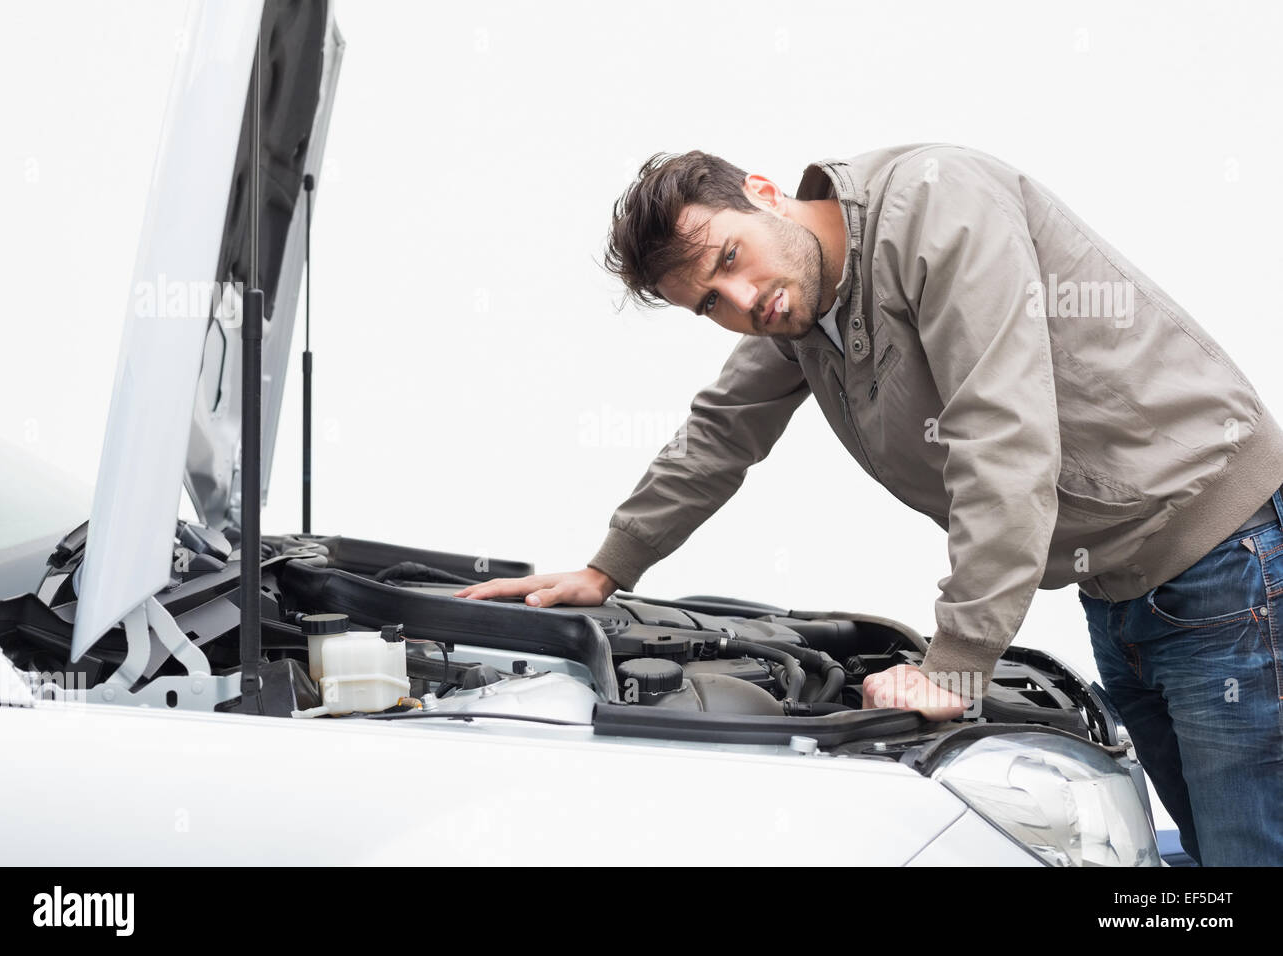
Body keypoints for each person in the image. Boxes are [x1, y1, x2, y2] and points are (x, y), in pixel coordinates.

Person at [454, 143, 1283, 865]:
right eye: (709, 302)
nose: (741, 301)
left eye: (730, 259)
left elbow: (1003, 438)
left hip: (1225, 567)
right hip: (1125, 591)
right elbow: (721, 433)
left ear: (767, 192)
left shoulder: (938, 208)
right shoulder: (797, 305)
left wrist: (957, 662)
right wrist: (610, 568)